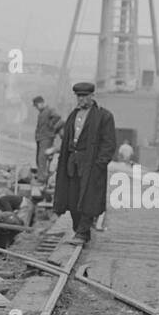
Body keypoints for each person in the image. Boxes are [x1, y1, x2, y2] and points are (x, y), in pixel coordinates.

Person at [53, 81, 117, 243]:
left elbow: (109, 143)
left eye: (84, 96)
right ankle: (79, 229)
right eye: (78, 96)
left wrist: (100, 164)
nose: (81, 100)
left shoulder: (104, 116)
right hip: (73, 164)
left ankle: (82, 232)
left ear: (92, 96)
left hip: (91, 166)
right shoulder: (73, 115)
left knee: (88, 199)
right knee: (73, 199)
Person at [32, 96, 63, 183]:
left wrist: (51, 125)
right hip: (41, 138)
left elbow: (57, 116)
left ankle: (42, 178)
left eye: (36, 106)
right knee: (39, 158)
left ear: (41, 103)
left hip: (46, 137)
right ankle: (41, 175)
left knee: (42, 158)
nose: (36, 108)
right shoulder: (41, 113)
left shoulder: (49, 110)